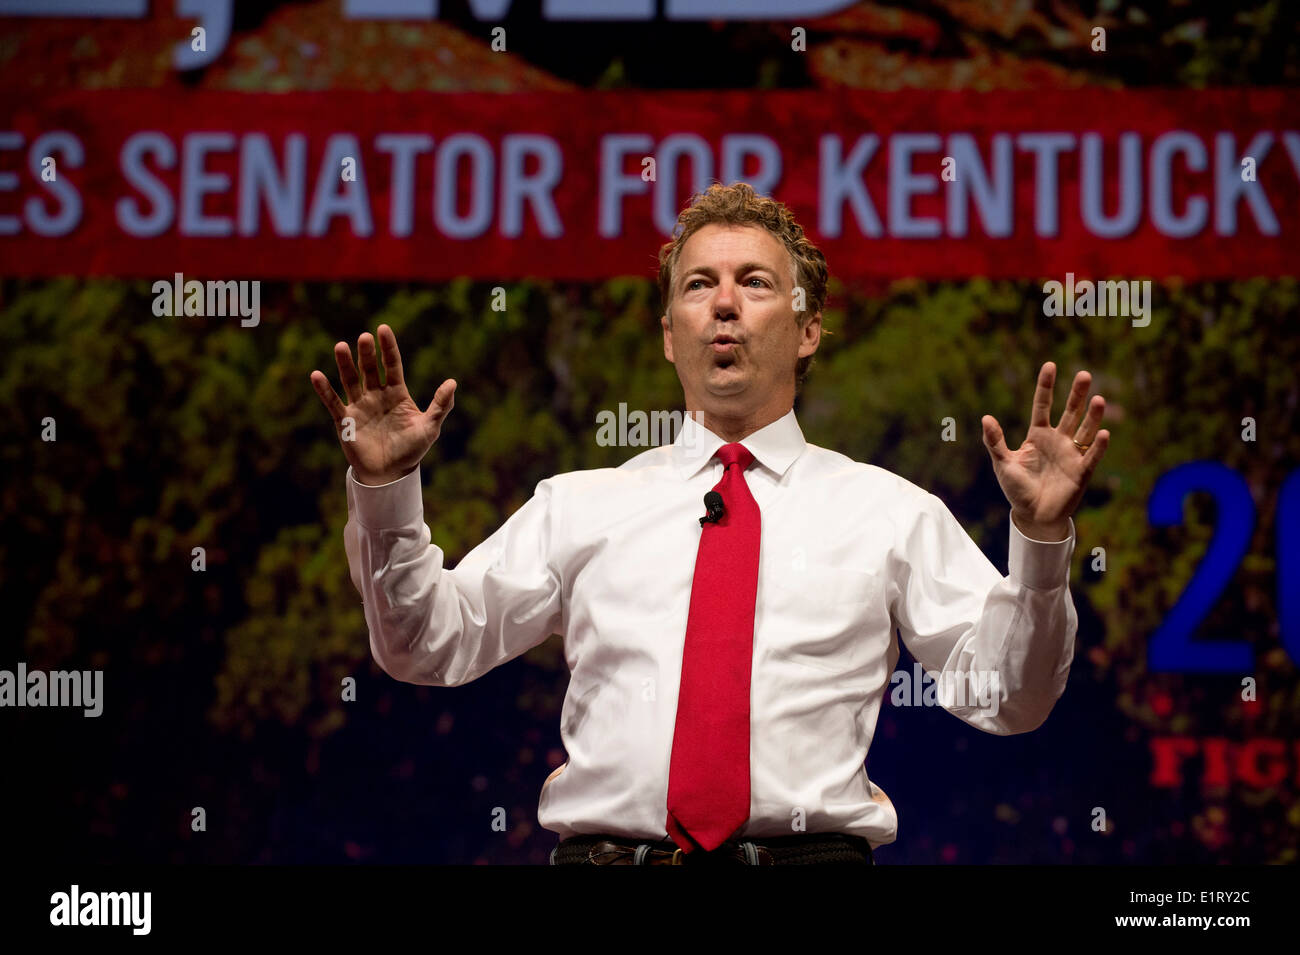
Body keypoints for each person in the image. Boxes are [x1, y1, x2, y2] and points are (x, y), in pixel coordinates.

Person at [309, 181, 1110, 866]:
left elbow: (1011, 695)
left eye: (755, 282)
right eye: (698, 286)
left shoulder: (891, 513)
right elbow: (424, 644)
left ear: (807, 329)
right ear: (668, 335)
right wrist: (387, 488)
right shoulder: (578, 504)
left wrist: (1039, 544)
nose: (723, 303)